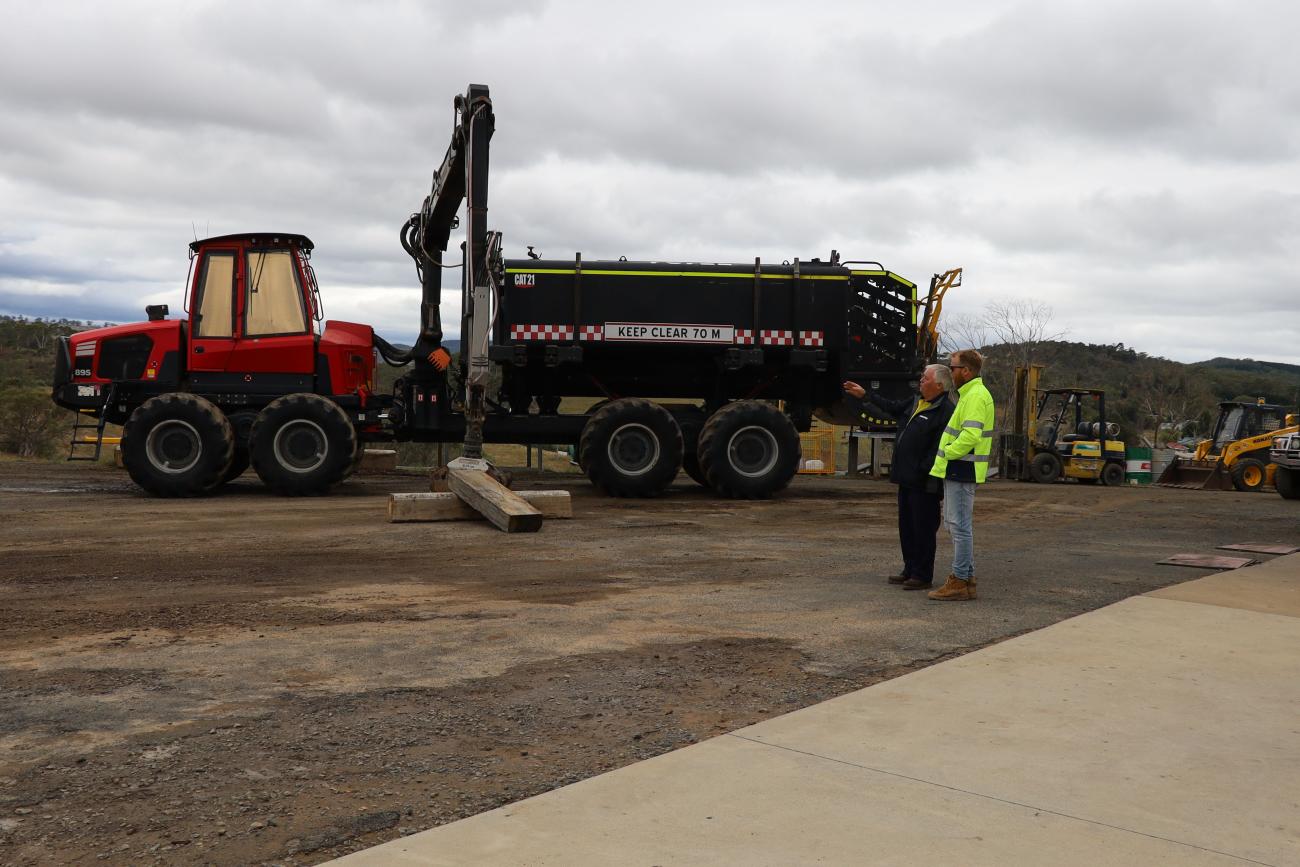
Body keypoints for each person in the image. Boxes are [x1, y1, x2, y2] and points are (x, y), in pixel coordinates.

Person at [843, 365, 957, 590]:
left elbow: (938, 448)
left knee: (923, 528)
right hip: (905, 478)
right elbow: (891, 407)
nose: (920, 381)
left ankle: (922, 575)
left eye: (925, 378)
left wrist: (922, 469)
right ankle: (909, 568)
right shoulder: (916, 401)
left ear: (939, 385)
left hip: (924, 482)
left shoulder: (946, 411)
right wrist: (866, 395)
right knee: (907, 527)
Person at [927, 349, 995, 601]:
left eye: (953, 367)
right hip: (960, 467)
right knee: (956, 524)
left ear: (965, 371)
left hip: (962, 467)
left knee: (959, 526)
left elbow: (970, 435)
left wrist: (948, 453)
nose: (950, 372)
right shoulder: (970, 394)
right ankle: (966, 578)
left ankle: (958, 581)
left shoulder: (975, 396)